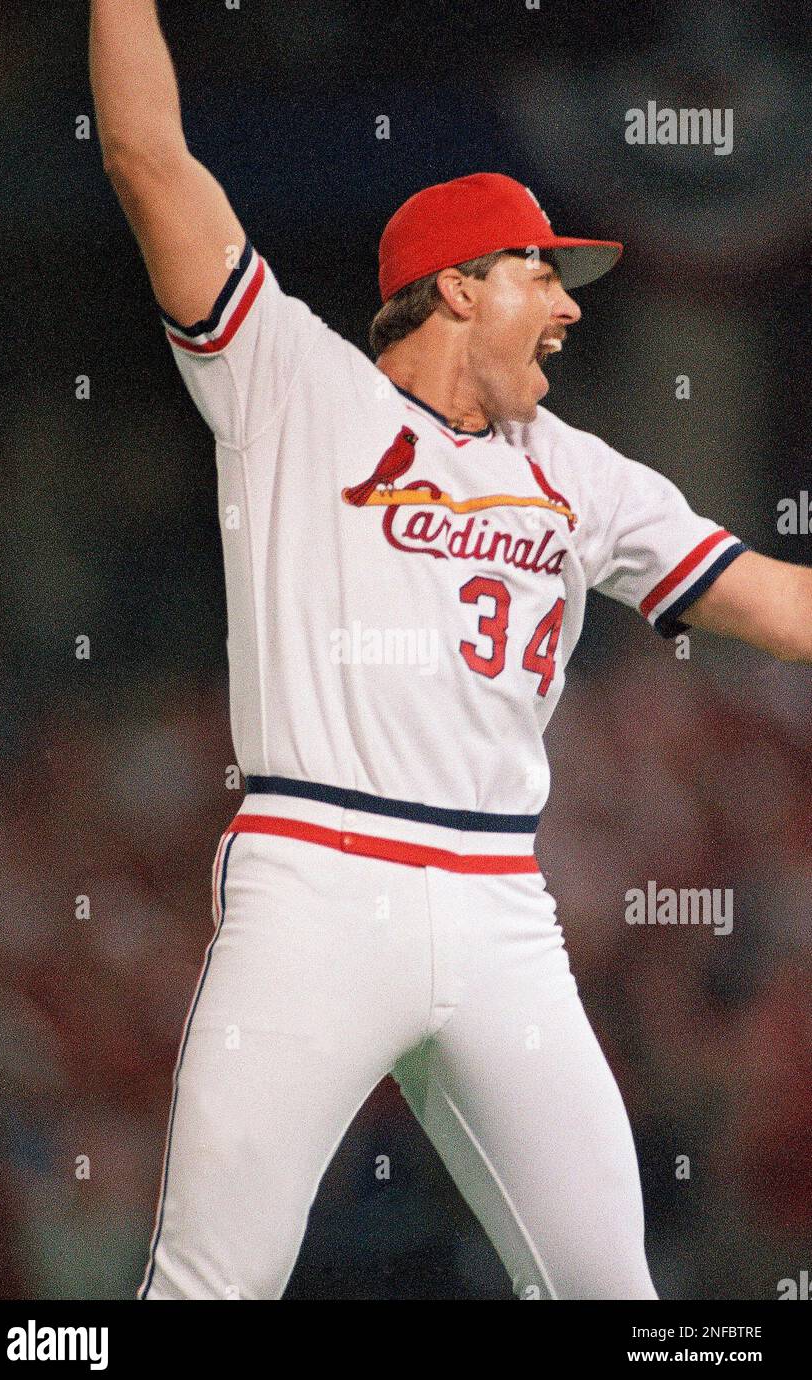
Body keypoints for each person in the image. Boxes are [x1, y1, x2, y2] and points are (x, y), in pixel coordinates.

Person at [90, 1, 811, 1300]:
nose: (568, 312)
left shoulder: (578, 473)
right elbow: (148, 155)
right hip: (315, 879)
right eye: (543, 276)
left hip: (497, 908)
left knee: (617, 1294)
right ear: (459, 285)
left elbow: (774, 602)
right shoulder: (293, 383)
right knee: (210, 1282)